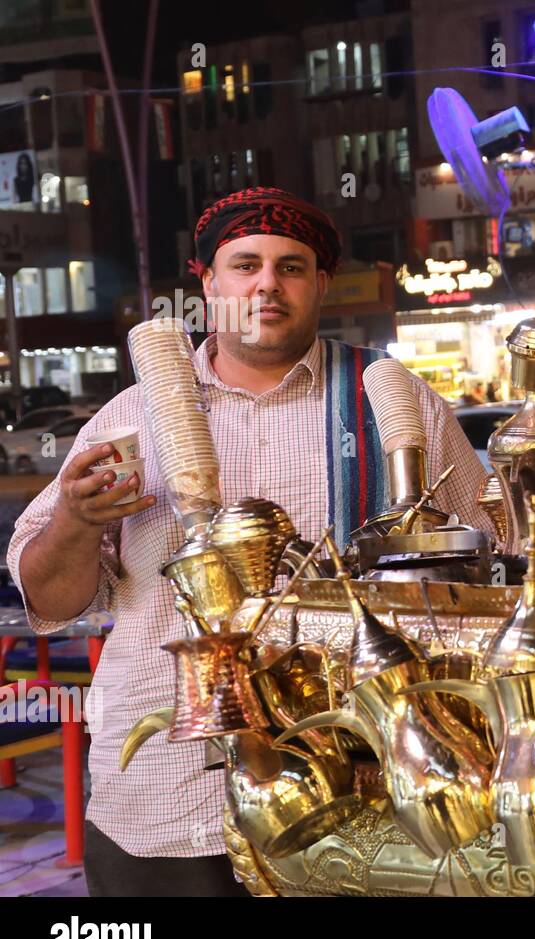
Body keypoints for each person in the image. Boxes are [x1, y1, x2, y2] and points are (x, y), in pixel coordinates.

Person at [6, 187, 494, 897]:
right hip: (165, 800)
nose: (268, 283)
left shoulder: (393, 400)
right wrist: (76, 524)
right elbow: (51, 599)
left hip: (358, 794)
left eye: (292, 267)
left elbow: (484, 566)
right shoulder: (132, 418)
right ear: (207, 283)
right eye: (245, 264)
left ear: (322, 283)